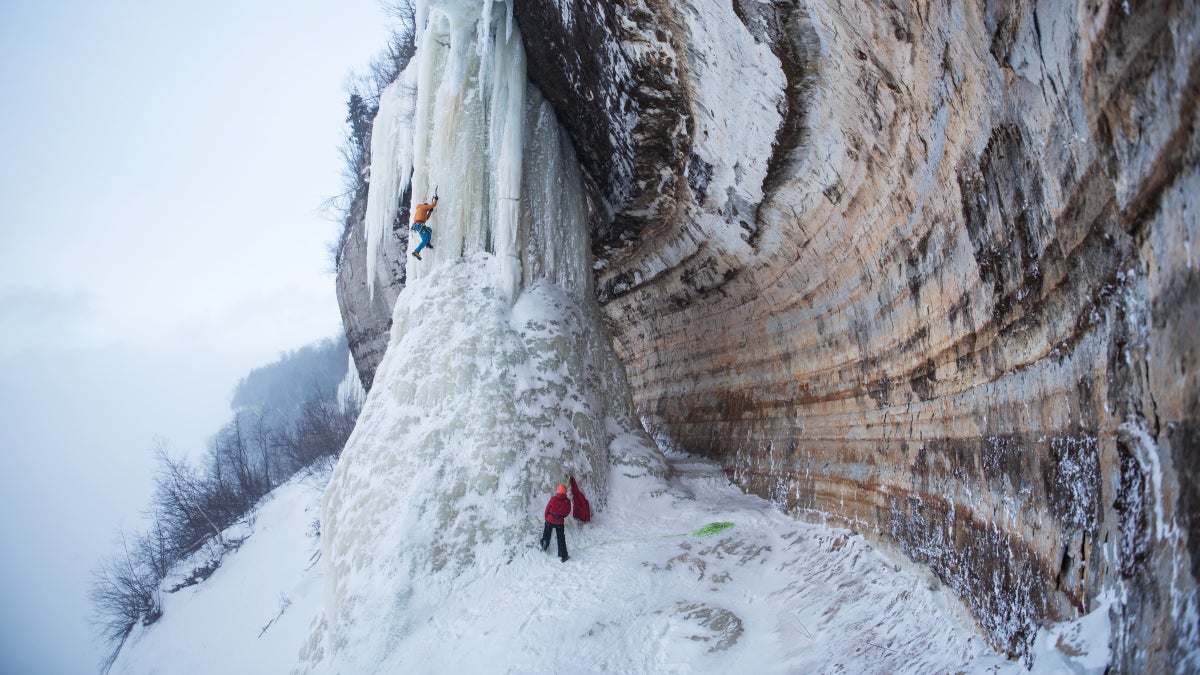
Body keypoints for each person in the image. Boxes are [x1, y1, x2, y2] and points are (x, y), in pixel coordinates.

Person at [540, 484, 571, 562]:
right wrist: (562, 516)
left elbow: (547, 508)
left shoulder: (553, 499)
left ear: (558, 491)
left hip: (550, 519)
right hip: (559, 522)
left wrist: (546, 517)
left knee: (547, 533)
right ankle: (563, 555)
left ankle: (544, 545)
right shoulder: (567, 502)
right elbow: (567, 512)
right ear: (565, 492)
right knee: (561, 538)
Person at [410, 190, 438, 260]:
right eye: (427, 208)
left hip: (420, 225)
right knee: (425, 239)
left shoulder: (423, 211)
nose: (428, 209)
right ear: (426, 206)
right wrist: (435, 200)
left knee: (429, 230)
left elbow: (426, 218)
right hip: (419, 226)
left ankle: (427, 243)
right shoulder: (423, 207)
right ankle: (416, 251)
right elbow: (432, 205)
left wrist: (430, 212)